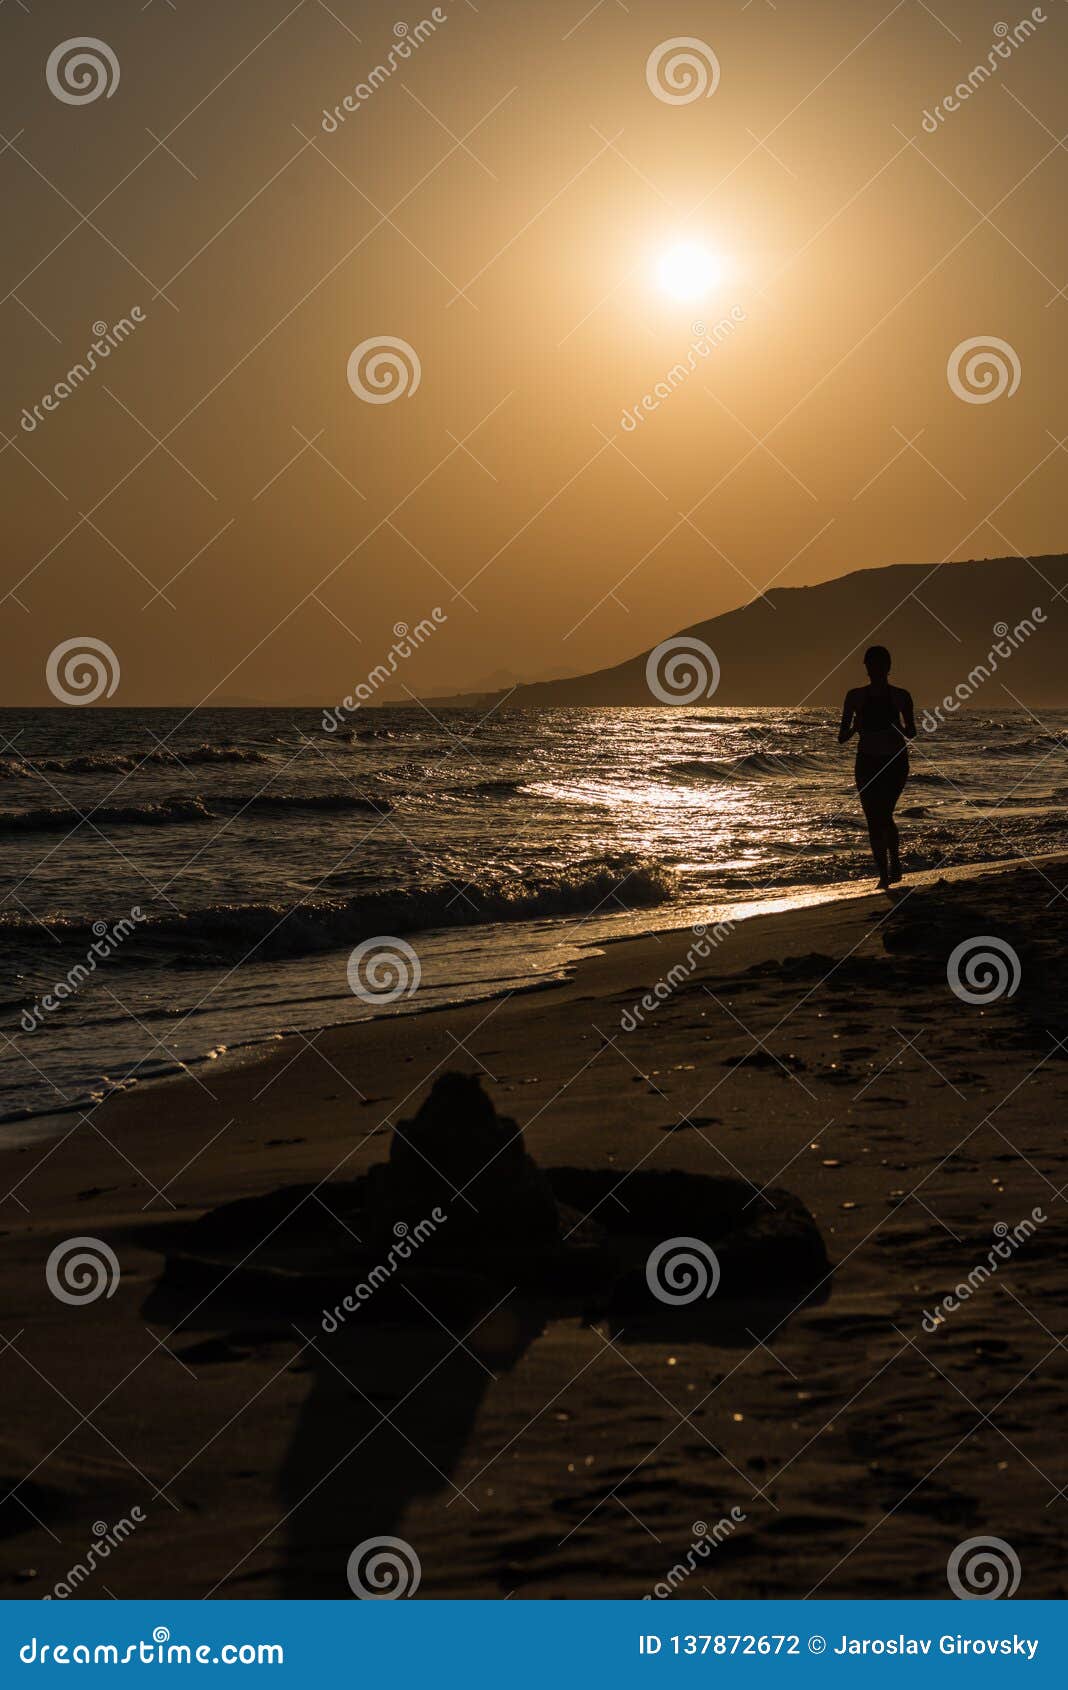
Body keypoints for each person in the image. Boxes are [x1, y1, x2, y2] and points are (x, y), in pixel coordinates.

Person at [838, 645, 915, 889]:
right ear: (866, 667)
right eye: (871, 665)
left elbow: (912, 733)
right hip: (867, 761)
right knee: (874, 818)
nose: (875, 669)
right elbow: (841, 737)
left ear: (888, 667)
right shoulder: (854, 696)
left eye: (880, 665)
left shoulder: (901, 696)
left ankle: (894, 863)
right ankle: (884, 874)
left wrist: (897, 727)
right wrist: (855, 727)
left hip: (895, 761)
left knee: (884, 814)